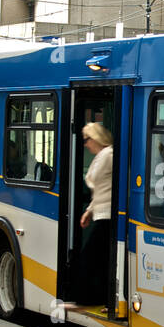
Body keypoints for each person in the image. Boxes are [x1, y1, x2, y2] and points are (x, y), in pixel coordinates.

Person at [65, 122, 113, 306]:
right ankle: (101, 299)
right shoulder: (103, 155)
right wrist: (89, 210)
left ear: (95, 138)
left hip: (107, 216)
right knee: (99, 259)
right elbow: (102, 188)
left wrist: (91, 209)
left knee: (89, 257)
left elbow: (99, 184)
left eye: (86, 139)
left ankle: (84, 299)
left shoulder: (108, 155)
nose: (85, 144)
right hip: (101, 213)